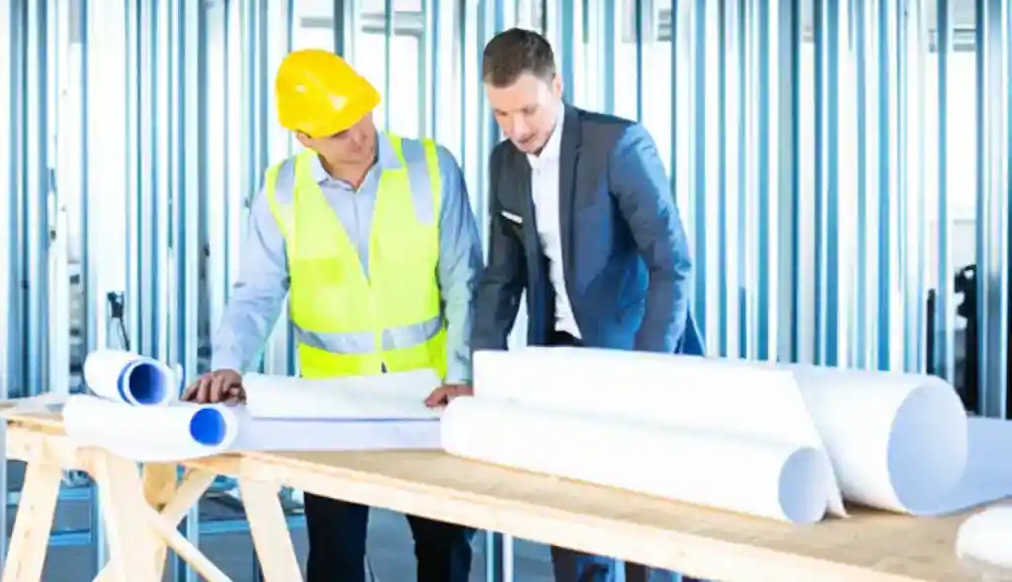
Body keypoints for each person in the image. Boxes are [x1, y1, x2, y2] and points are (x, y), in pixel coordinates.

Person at [182, 48, 482, 582]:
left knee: (445, 552)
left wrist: (461, 375)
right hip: (329, 408)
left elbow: (465, 281)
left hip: (428, 399)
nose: (360, 135)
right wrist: (229, 362)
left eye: (362, 115)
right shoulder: (281, 191)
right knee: (335, 559)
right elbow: (256, 292)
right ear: (304, 137)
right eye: (339, 131)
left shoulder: (432, 167)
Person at [451, 28, 704, 582]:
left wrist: (650, 368)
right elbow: (501, 277)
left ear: (557, 85)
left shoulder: (619, 145)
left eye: (527, 110)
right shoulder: (505, 164)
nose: (517, 129)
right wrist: (483, 372)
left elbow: (672, 262)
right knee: (574, 526)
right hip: (562, 363)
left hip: (637, 354)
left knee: (649, 532)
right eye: (500, 115)